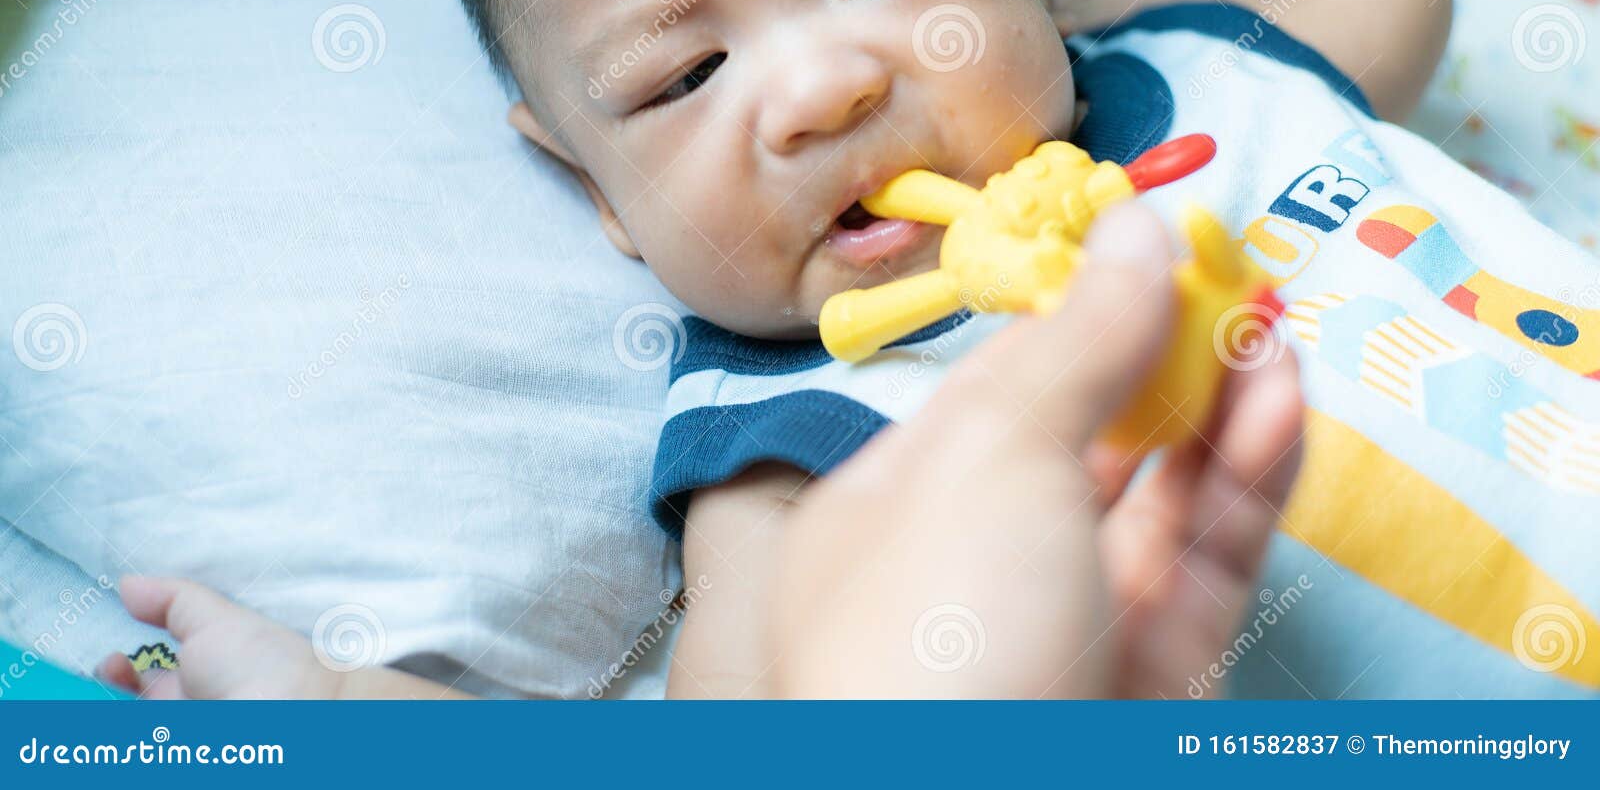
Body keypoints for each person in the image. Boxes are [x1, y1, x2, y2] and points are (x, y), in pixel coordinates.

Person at [100, 203, 1305, 698]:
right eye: (689, 71)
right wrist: (350, 708)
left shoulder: (1166, 90)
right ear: (604, 192)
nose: (814, 88)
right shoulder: (773, 401)